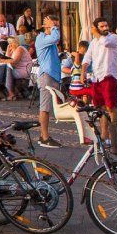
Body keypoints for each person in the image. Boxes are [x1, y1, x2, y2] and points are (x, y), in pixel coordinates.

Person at [33, 16, 65, 145]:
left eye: (57, 26)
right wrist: (53, 27)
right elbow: (56, 38)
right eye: (54, 26)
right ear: (47, 26)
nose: (56, 29)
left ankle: (44, 135)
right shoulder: (42, 38)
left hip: (53, 75)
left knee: (48, 107)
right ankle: (44, 137)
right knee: (45, 107)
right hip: (47, 75)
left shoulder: (48, 41)